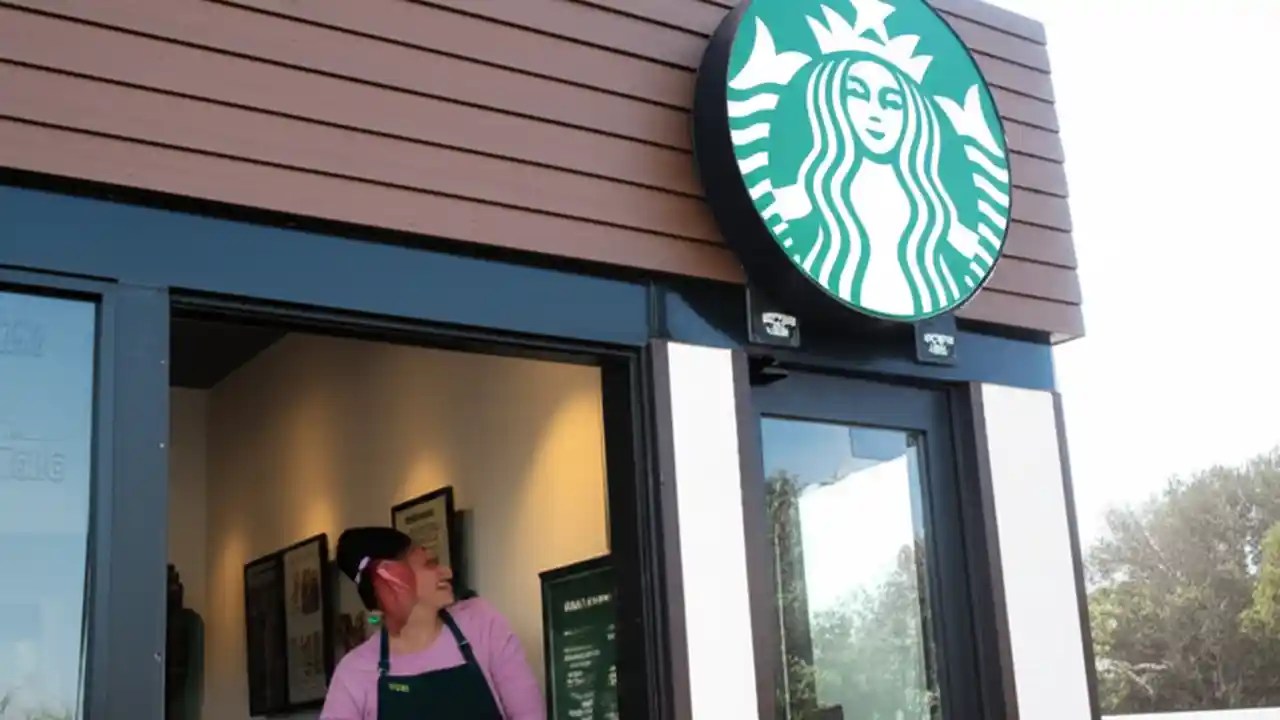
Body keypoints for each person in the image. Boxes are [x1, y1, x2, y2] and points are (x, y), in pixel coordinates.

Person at [322, 527, 545, 719]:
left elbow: (530, 714)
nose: (446, 572)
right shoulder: (354, 673)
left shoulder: (482, 624)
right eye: (429, 564)